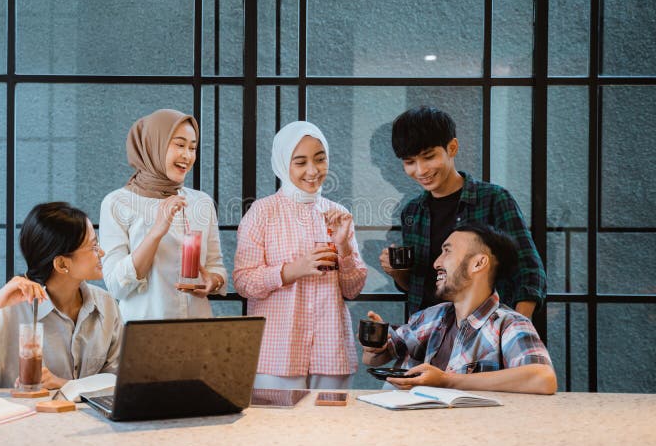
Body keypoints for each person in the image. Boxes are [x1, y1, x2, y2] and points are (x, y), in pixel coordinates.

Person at [0, 202, 123, 391]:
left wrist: (64, 384)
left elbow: (122, 381)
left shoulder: (106, 304)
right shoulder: (11, 312)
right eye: (94, 246)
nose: (102, 253)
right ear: (62, 264)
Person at [234, 121, 367, 390]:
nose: (312, 171)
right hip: (277, 354)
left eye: (320, 159)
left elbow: (353, 289)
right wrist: (292, 270)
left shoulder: (338, 214)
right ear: (284, 164)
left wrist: (343, 247)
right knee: (277, 432)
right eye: (300, 162)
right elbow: (243, 282)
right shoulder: (262, 213)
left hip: (330, 353)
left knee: (330, 430)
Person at [380, 106, 546, 319]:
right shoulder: (412, 212)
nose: (420, 170)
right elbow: (416, 286)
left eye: (429, 157)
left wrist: (515, 328)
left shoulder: (494, 199)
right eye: (409, 162)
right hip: (427, 335)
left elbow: (529, 272)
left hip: (484, 332)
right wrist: (397, 273)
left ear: (452, 148)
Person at [365, 223, 556, 395]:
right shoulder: (432, 317)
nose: (436, 263)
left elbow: (544, 378)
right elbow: (373, 359)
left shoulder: (508, 324)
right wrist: (376, 343)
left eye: (447, 252)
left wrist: (446, 381)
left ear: (478, 263)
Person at [100, 109, 226, 321]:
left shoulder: (201, 202)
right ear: (153, 145)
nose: (187, 155)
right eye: (179, 144)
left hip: (197, 328)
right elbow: (115, 286)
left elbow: (215, 265)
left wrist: (213, 281)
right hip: (144, 333)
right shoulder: (117, 203)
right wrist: (156, 231)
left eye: (192, 147)